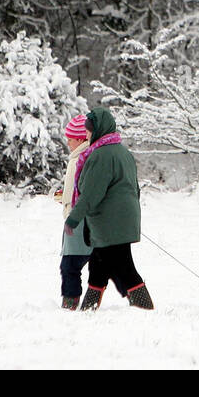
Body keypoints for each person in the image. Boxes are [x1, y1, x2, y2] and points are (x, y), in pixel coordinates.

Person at [64, 107, 153, 310]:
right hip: (121, 218)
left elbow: (92, 193)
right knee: (98, 263)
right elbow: (134, 189)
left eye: (88, 128)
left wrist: (73, 218)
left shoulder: (100, 156)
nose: (86, 133)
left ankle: (145, 308)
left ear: (98, 129)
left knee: (124, 266)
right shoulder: (122, 152)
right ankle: (89, 306)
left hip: (110, 221)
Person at [56, 114, 94, 309]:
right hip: (77, 217)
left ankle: (70, 303)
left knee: (70, 265)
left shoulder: (84, 157)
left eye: (70, 139)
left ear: (80, 139)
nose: (68, 142)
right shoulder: (78, 157)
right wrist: (64, 196)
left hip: (80, 220)